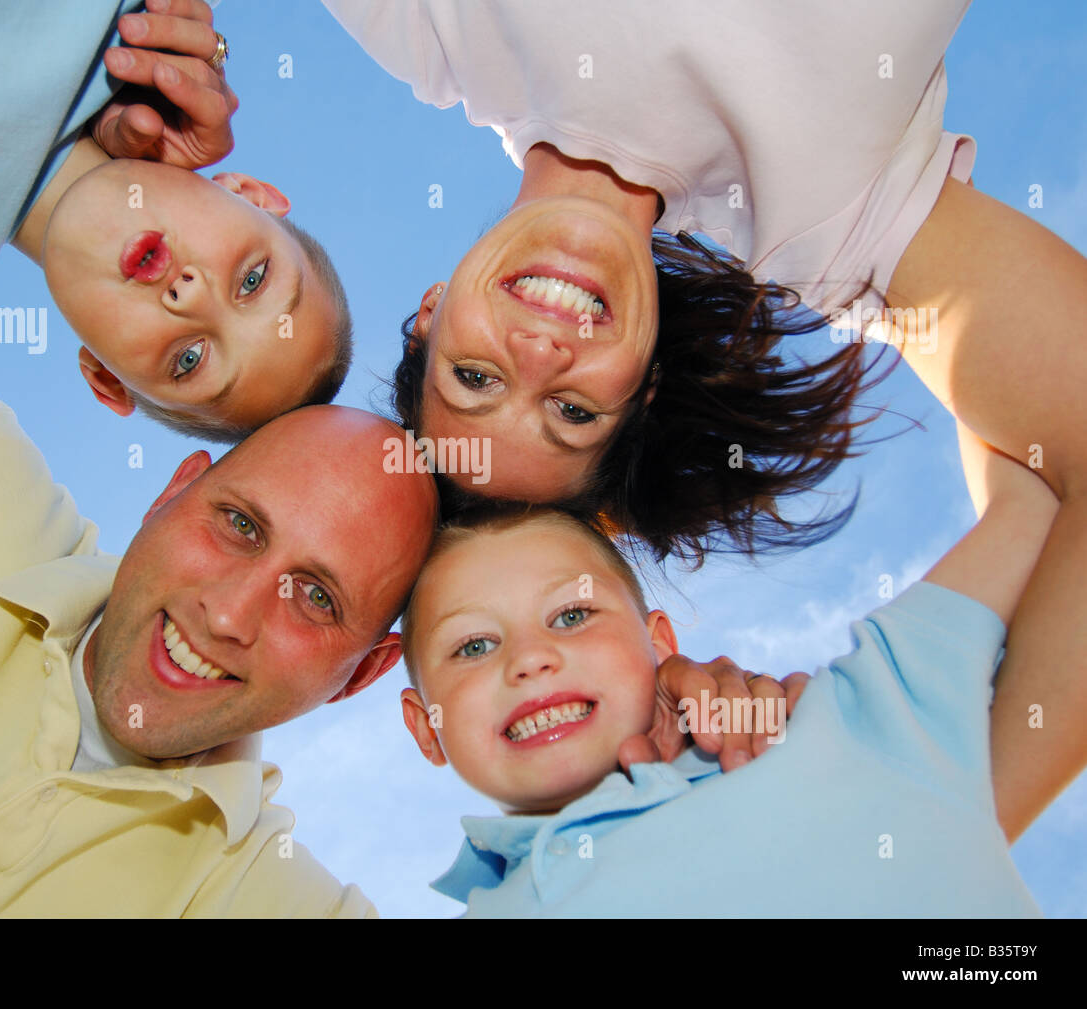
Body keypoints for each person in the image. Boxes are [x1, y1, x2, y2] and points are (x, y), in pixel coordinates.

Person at [324, 0, 1087, 841]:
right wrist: (934, 850)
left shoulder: (438, 29)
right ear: (644, 386)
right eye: (572, 412)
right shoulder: (841, 229)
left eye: (474, 377)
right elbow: (1053, 473)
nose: (539, 356)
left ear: (430, 314)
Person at [0, 329, 437, 915]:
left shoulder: (274, 902)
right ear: (173, 492)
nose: (230, 612)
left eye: (317, 599)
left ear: (361, 676)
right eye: (240, 525)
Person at [396, 444, 1059, 913]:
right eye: (474, 643)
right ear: (427, 728)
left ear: (658, 646)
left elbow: (1043, 484)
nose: (530, 657)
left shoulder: (857, 714)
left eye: (572, 613)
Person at [0, 0, 350, 442]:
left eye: (190, 359)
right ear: (250, 194)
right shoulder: (151, 25)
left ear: (106, 378)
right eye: (253, 280)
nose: (191, 295)